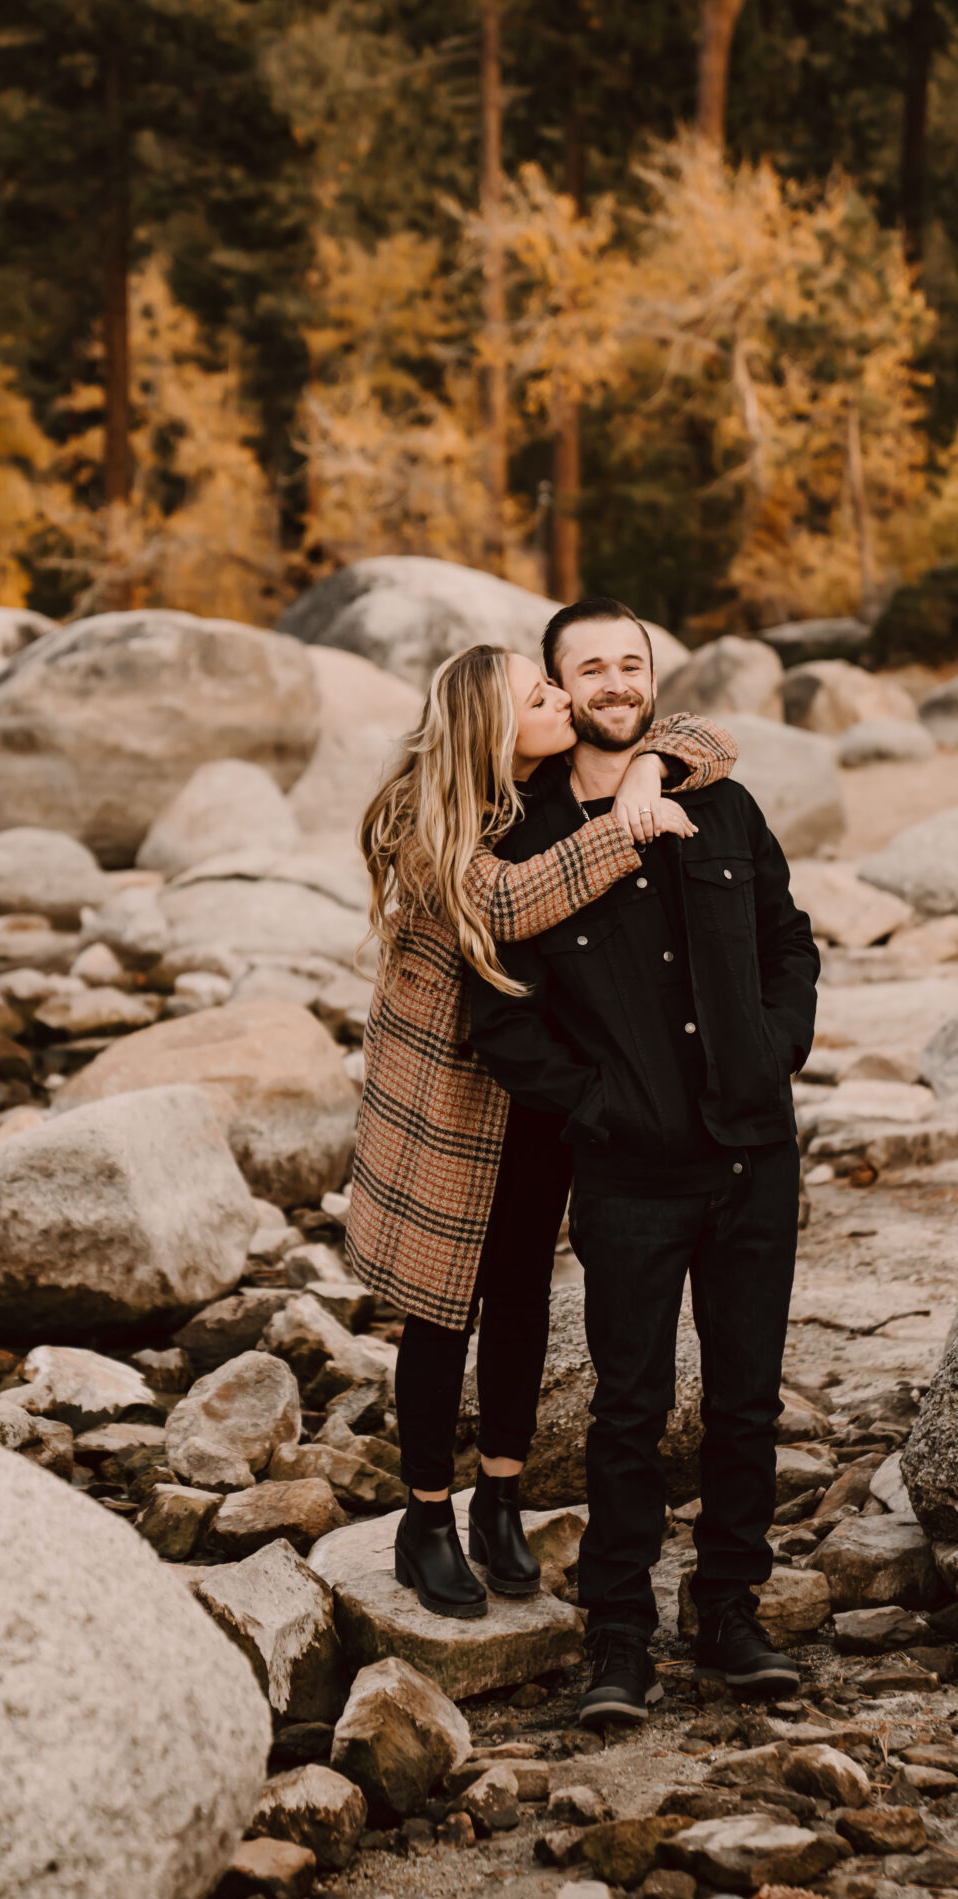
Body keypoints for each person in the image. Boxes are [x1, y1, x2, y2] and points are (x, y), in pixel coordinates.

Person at [469, 596, 821, 1725]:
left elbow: (788, 941)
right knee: (629, 1408)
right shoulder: (518, 840)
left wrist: (773, 1048)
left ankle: (728, 1613)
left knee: (745, 1401)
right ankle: (617, 1632)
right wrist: (596, 1104)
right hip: (626, 1169)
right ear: (554, 688)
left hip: (753, 1151)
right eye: (590, 668)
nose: (616, 683)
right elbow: (501, 1013)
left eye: (632, 663)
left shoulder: (719, 804)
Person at [348, 641, 738, 1620]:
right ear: (495, 727)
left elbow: (704, 734)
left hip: (533, 1093)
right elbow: (507, 901)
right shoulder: (429, 822)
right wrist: (628, 828)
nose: (566, 700)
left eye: (556, 687)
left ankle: (500, 1498)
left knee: (521, 1289)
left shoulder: (550, 785)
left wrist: (645, 770)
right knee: (442, 1306)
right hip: (448, 1101)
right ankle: (425, 1517)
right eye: (542, 695)